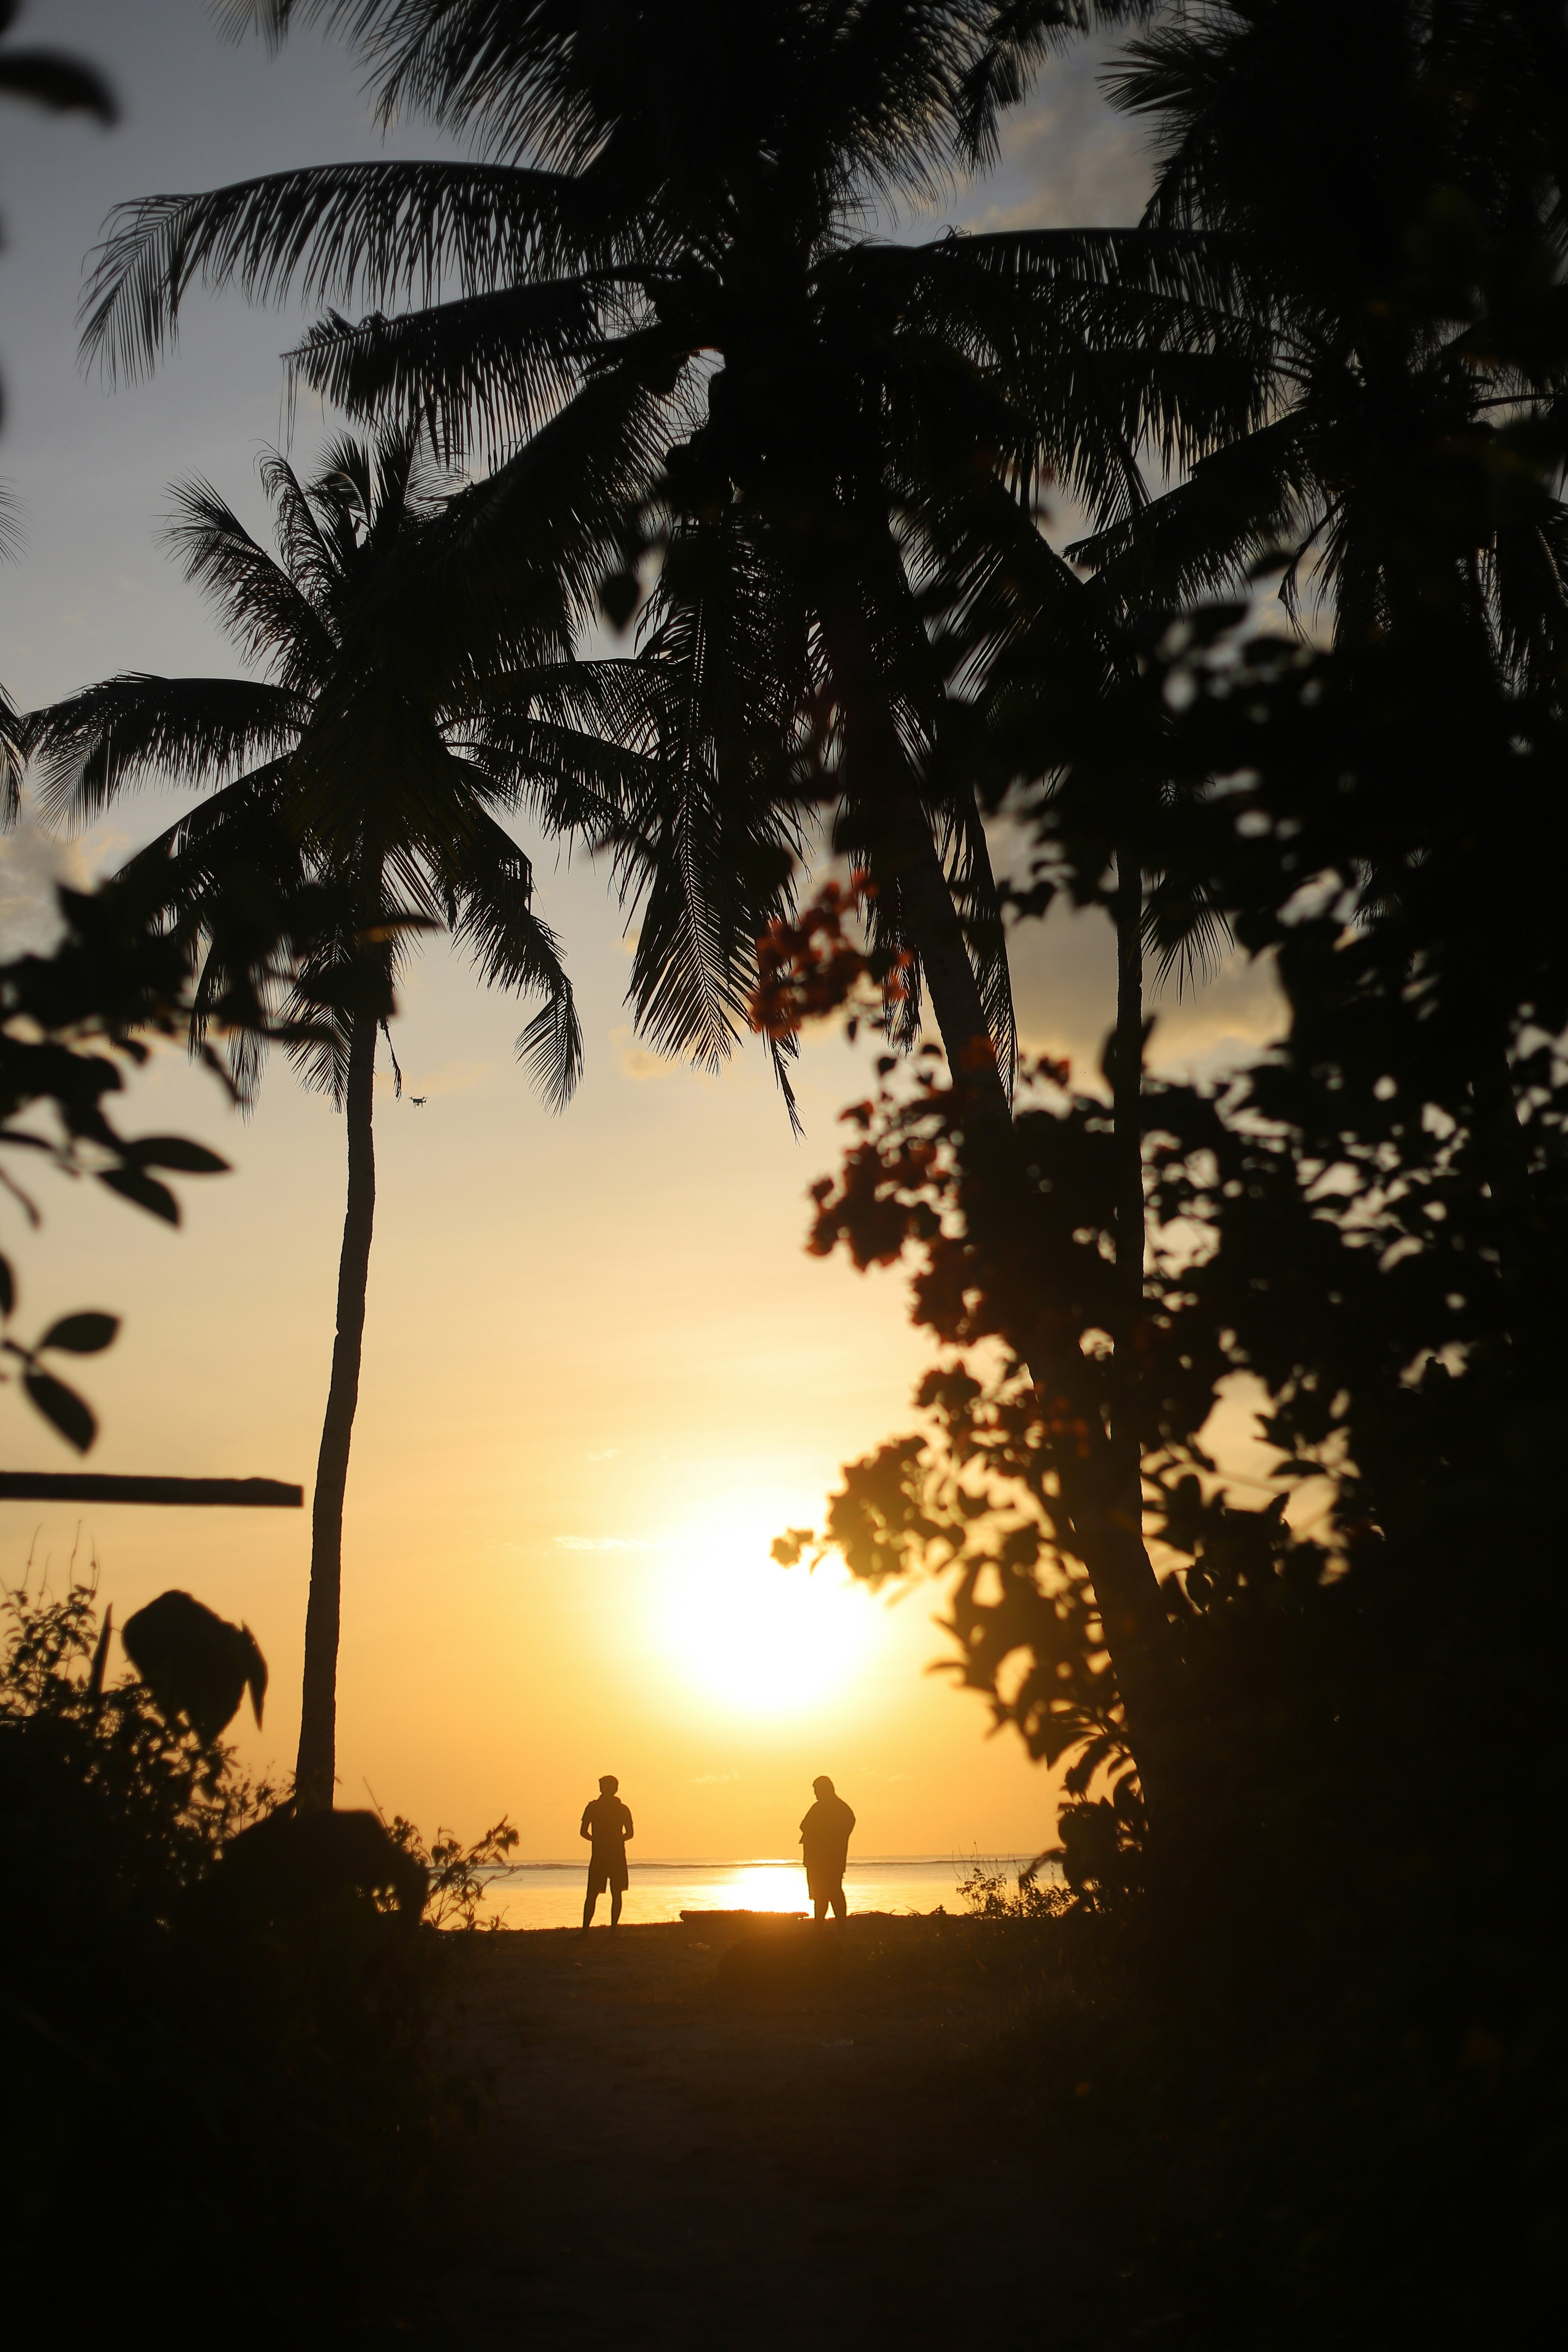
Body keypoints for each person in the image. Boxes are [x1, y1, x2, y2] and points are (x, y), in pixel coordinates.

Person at [580, 1774, 634, 1930]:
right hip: (603, 1854)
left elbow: (630, 1833)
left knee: (612, 1893)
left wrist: (605, 1842)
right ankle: (590, 1930)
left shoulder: (621, 1809)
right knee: (596, 1894)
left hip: (611, 1854)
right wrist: (601, 1842)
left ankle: (610, 1929)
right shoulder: (594, 1807)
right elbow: (584, 1832)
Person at [799, 1775, 855, 1923]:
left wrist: (830, 1839)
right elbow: (804, 1826)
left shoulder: (835, 1808)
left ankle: (834, 1925)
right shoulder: (829, 1807)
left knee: (831, 1893)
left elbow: (806, 1826)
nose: (816, 1794)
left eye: (818, 1790)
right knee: (822, 1894)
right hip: (821, 1858)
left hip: (827, 1859)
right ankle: (823, 1925)